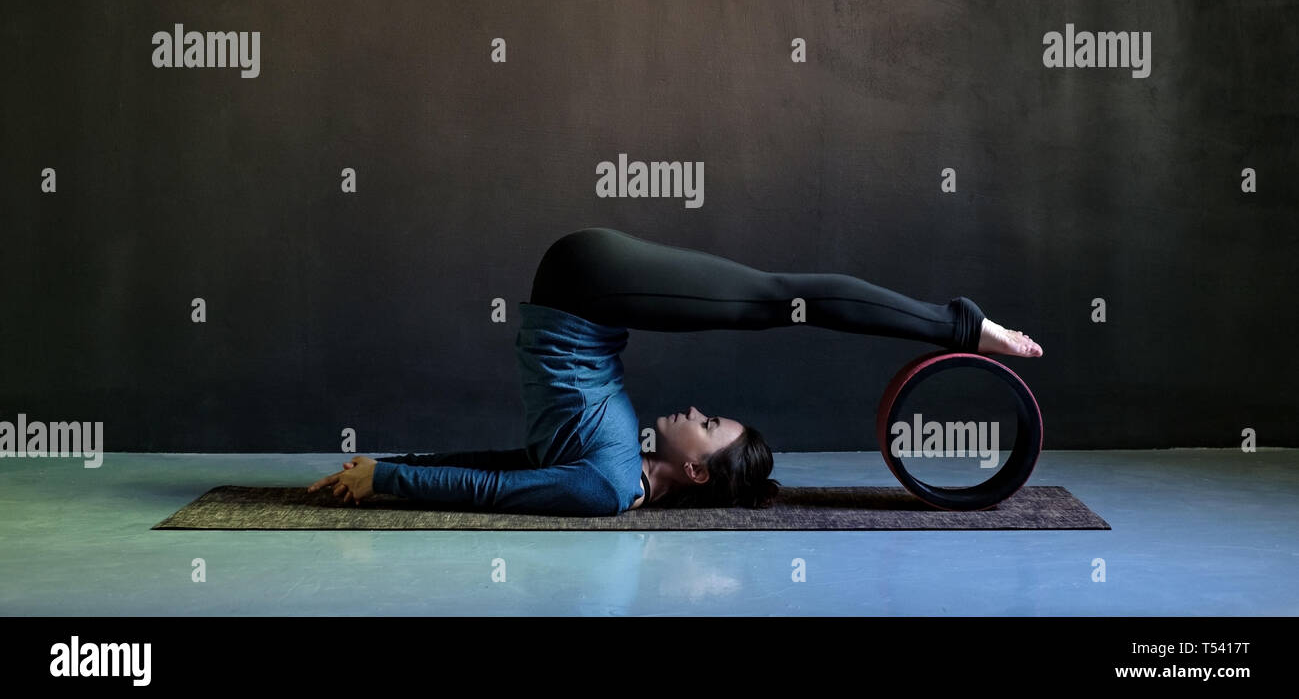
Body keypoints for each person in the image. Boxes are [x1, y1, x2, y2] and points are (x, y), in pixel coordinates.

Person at [308, 226, 1042, 515]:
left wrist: (386, 474)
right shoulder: (611, 474)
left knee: (779, 295)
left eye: (710, 427)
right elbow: (511, 471)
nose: (696, 412)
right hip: (586, 290)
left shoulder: (603, 485)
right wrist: (385, 473)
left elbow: (497, 482)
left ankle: (962, 325)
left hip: (583, 285)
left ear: (697, 472)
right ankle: (962, 325)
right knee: (775, 295)